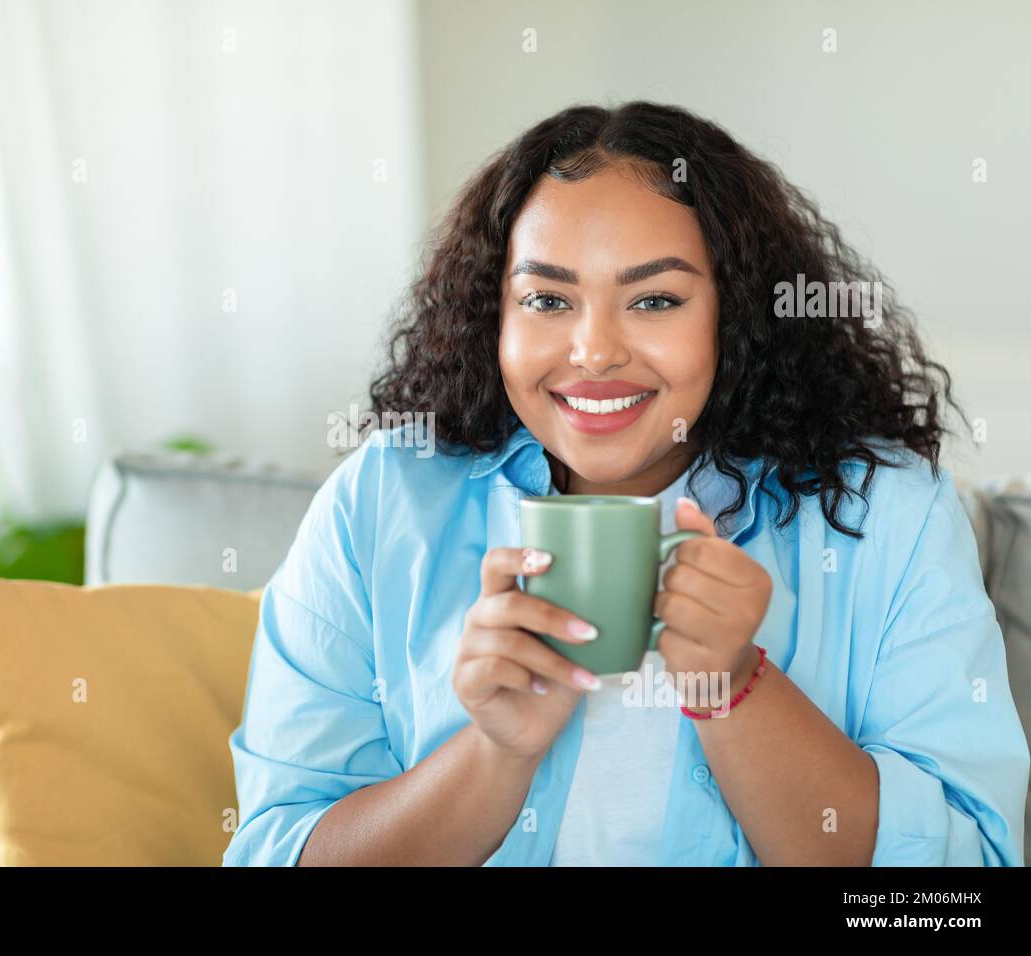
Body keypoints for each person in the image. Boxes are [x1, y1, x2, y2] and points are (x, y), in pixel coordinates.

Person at [222, 101, 1029, 866]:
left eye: (654, 299)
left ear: (736, 314)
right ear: (492, 316)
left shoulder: (886, 512)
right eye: (547, 298)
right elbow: (275, 846)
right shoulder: (380, 501)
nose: (595, 352)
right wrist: (495, 755)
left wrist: (737, 688)